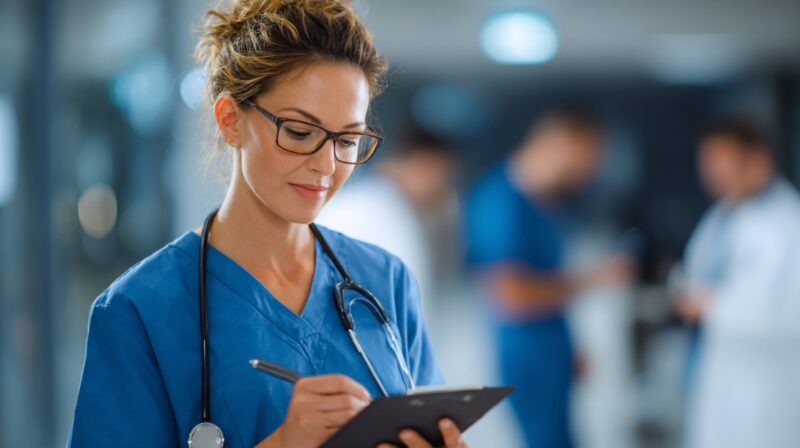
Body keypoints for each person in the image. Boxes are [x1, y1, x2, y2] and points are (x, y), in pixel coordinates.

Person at [67, 1, 468, 447]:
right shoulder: (138, 310)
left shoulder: (385, 282)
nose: (326, 165)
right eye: (299, 132)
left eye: (348, 141)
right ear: (230, 120)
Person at [464, 109, 631, 448]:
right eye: (587, 159)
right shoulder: (501, 202)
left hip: (551, 351)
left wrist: (567, 345)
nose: (590, 172)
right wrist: (597, 278)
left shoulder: (543, 202)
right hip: (528, 357)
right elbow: (513, 296)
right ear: (559, 146)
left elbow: (548, 281)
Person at [678, 117, 800, 448]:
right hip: (718, 372)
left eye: (721, 159)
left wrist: (711, 305)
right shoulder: (724, 214)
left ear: (758, 159)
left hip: (766, 385)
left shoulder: (788, 225)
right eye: (707, 160)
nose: (711, 171)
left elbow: (790, 313)